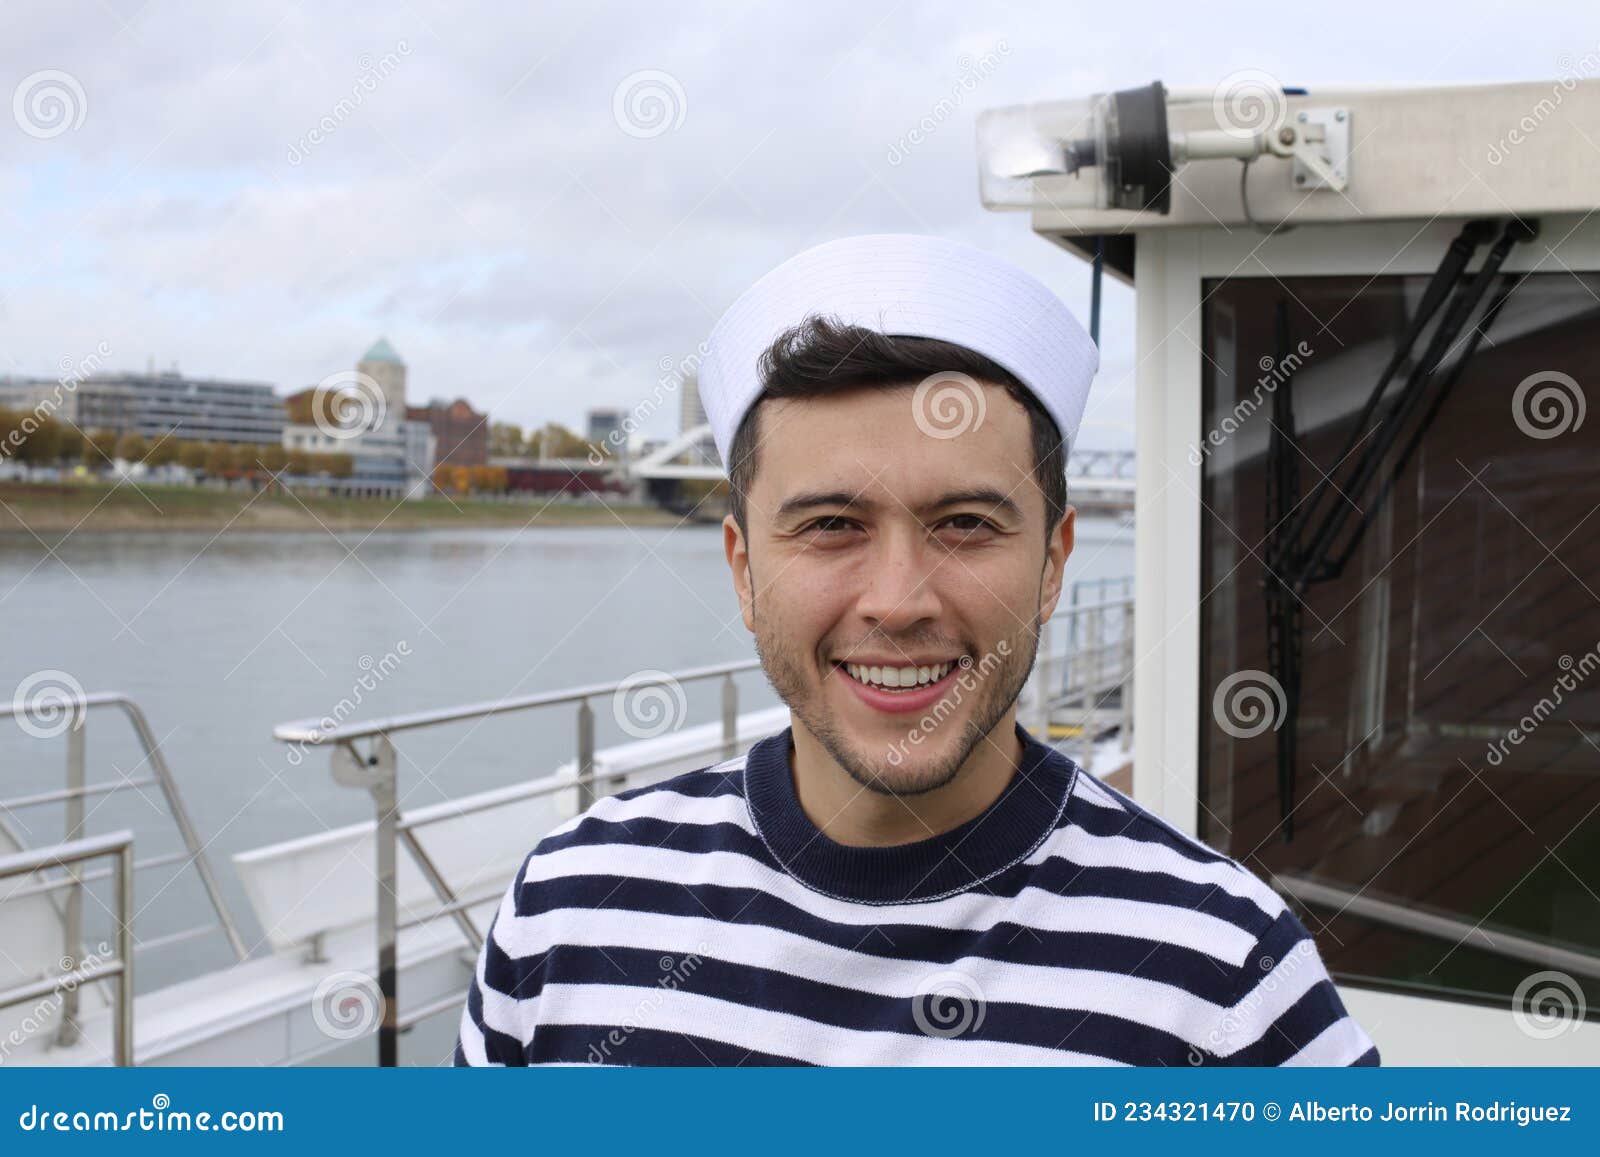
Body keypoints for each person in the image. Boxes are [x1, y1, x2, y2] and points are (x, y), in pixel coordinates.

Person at [455, 234, 1379, 1066]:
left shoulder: (1225, 980)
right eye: (829, 526)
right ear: (742, 569)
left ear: (1053, 564)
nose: (898, 602)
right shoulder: (572, 910)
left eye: (966, 524)